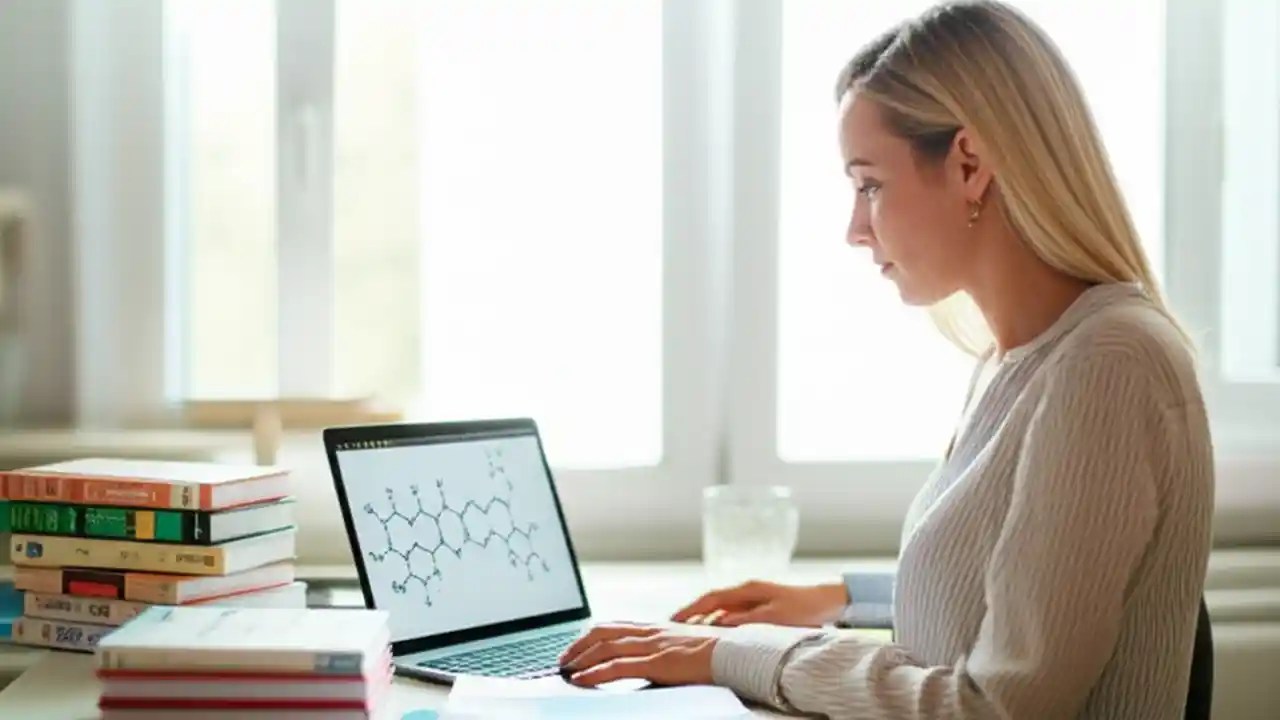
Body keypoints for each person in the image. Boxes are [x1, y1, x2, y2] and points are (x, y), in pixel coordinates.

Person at [558, 1, 1215, 718]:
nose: (854, 228)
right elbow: (1019, 579)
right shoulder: (1020, 359)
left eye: (869, 184)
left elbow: (993, 705)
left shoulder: (1106, 366)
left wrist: (734, 654)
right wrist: (845, 598)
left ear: (969, 164)